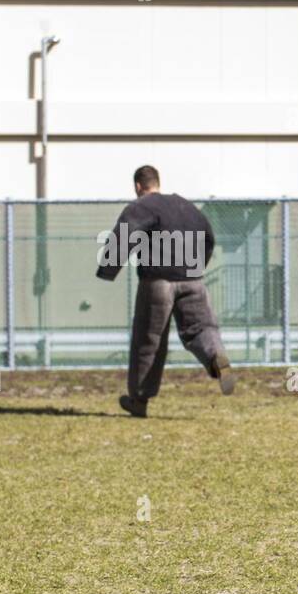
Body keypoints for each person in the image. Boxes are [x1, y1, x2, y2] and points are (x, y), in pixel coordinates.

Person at [96, 165, 235, 417]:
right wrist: (195, 267)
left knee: (148, 342)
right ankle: (217, 357)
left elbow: (125, 233)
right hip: (193, 279)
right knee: (202, 329)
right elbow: (208, 237)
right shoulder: (186, 206)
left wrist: (108, 270)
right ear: (158, 182)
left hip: (158, 282)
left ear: (139, 186)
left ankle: (139, 400)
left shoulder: (143, 205)